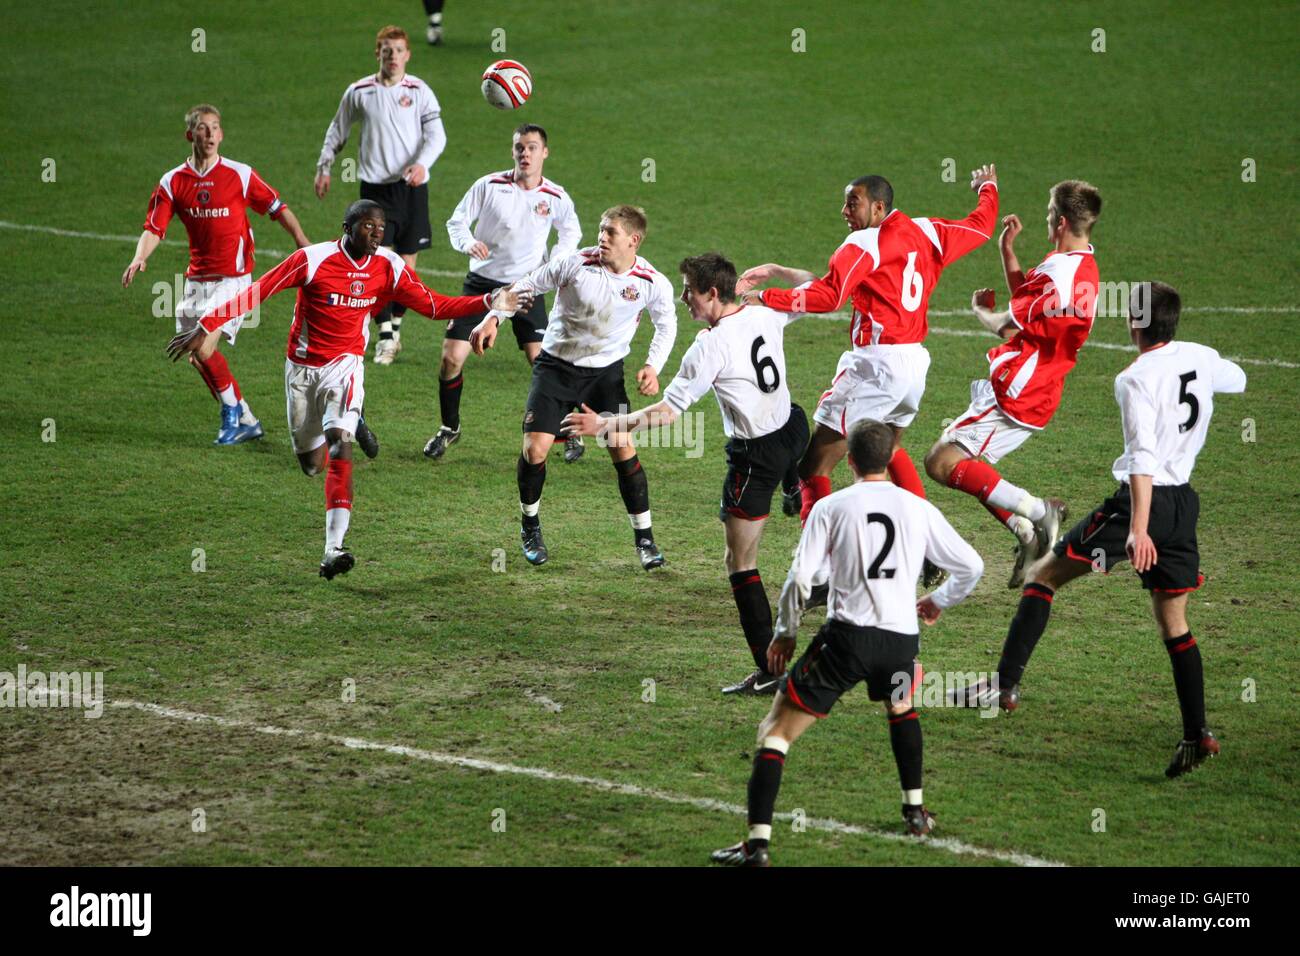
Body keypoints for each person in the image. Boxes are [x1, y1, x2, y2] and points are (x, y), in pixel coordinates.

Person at [166, 200, 527, 578]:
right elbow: (259, 290)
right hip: (303, 370)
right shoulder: (313, 260)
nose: (376, 234)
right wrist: (208, 323)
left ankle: (333, 548)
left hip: (346, 366)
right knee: (311, 465)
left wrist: (488, 301)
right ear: (347, 227)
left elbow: (434, 305)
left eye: (381, 228)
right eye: (368, 227)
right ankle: (353, 421)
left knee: (340, 443)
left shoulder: (388, 266)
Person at [970, 282, 1245, 778]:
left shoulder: (1134, 378)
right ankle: (1197, 733)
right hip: (1184, 505)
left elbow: (1141, 459)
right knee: (1174, 624)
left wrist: (1137, 529)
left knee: (1043, 576)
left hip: (1143, 505)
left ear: (1134, 324)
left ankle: (1003, 687)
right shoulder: (1200, 357)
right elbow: (1238, 379)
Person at [710, 420, 984, 866]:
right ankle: (915, 811)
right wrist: (937, 601)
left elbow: (801, 579)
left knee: (775, 733)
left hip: (846, 642)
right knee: (901, 708)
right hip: (899, 642)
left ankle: (756, 845)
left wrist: (785, 633)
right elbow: (971, 566)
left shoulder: (831, 508)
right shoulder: (917, 508)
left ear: (850, 460)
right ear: (892, 458)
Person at [738, 166, 999, 585]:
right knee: (889, 451)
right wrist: (988, 188)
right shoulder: (928, 231)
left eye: (852, 202)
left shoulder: (863, 242)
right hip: (914, 365)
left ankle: (821, 572)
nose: (844, 210)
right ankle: (929, 551)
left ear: (878, 208)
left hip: (875, 366)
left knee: (814, 466)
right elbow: (982, 226)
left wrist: (764, 298)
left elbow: (829, 296)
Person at [563, 253, 809, 695]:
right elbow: (817, 286)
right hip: (793, 430)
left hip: (756, 458)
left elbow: (665, 413)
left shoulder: (708, 346)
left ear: (713, 294)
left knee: (740, 563)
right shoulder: (765, 309)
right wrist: (775, 270)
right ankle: (795, 486)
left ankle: (770, 673)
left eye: (689, 292)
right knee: (793, 426)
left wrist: (604, 425)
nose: (682, 299)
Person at [469, 205, 677, 570]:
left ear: (634, 240)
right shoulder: (574, 264)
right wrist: (493, 318)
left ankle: (645, 539)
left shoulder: (651, 282)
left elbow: (666, 324)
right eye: (600, 229)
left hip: (605, 374)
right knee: (535, 450)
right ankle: (530, 525)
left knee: (621, 446)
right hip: (555, 369)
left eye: (610, 232)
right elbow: (525, 285)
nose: (601, 237)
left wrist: (652, 365)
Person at [924, 181, 1102, 587]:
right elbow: (1029, 304)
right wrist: (1008, 252)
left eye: (1047, 213)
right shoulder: (1082, 265)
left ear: (1059, 221)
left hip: (1017, 391)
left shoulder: (1060, 275)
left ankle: (1040, 513)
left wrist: (980, 311)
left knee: (941, 462)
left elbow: (1005, 324)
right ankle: (1023, 532)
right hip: (1041, 389)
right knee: (973, 466)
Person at [123, 104, 310, 445]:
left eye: (214, 128)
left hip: (234, 280)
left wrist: (302, 244)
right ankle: (246, 416)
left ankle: (230, 414)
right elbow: (154, 228)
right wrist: (140, 257)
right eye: (202, 128)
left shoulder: (239, 174)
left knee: (202, 347)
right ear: (190, 135)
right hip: (197, 280)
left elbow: (277, 208)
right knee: (195, 355)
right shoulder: (173, 181)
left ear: (222, 134)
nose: (209, 134)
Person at [426, 124, 582, 462]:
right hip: (482, 285)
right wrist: (468, 242)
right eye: (519, 147)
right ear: (513, 151)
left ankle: (569, 431)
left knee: (543, 361)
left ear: (545, 153)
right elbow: (456, 222)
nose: (524, 153)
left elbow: (571, 231)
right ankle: (449, 428)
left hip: (527, 286)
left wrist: (555, 262)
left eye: (531, 147)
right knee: (451, 358)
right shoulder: (489, 185)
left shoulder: (555, 196)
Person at [315, 25, 446, 364]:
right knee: (377, 266)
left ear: (408, 54)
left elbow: (437, 136)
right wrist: (324, 165)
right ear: (378, 53)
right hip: (375, 191)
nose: (393, 57)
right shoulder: (360, 91)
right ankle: (385, 337)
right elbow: (337, 129)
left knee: (406, 269)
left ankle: (394, 330)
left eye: (399, 50)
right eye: (386, 50)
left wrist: (421, 164)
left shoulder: (419, 91)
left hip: (412, 188)